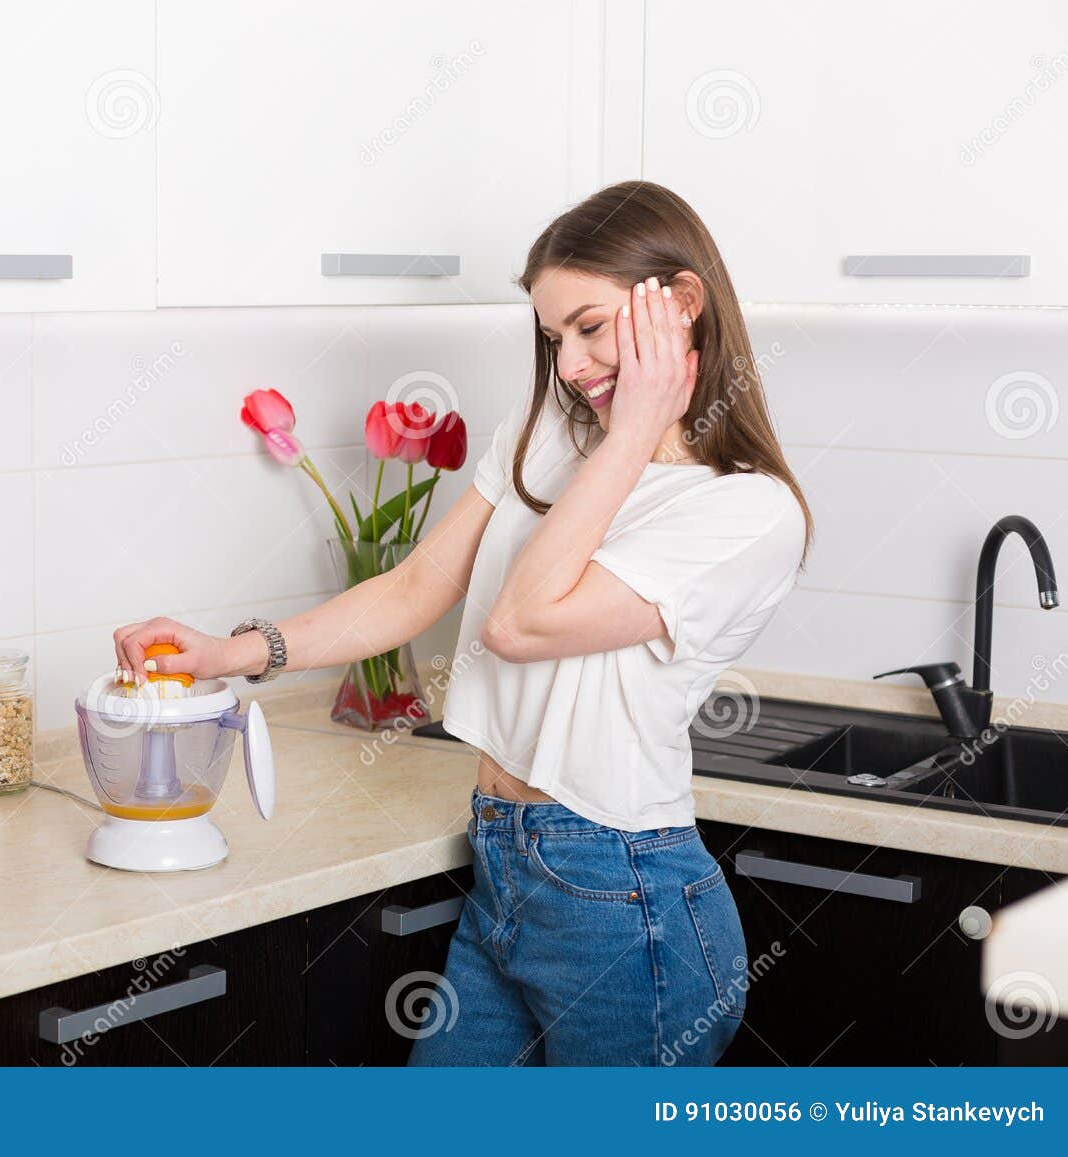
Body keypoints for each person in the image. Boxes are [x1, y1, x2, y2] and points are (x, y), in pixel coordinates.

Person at [111, 181, 813, 1066]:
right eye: (555, 338)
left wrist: (638, 428)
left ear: (680, 304)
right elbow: (416, 587)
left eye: (592, 328)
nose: (569, 366)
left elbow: (522, 620)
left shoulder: (747, 512)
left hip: (628, 902)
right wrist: (232, 652)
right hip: (507, 866)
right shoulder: (553, 433)